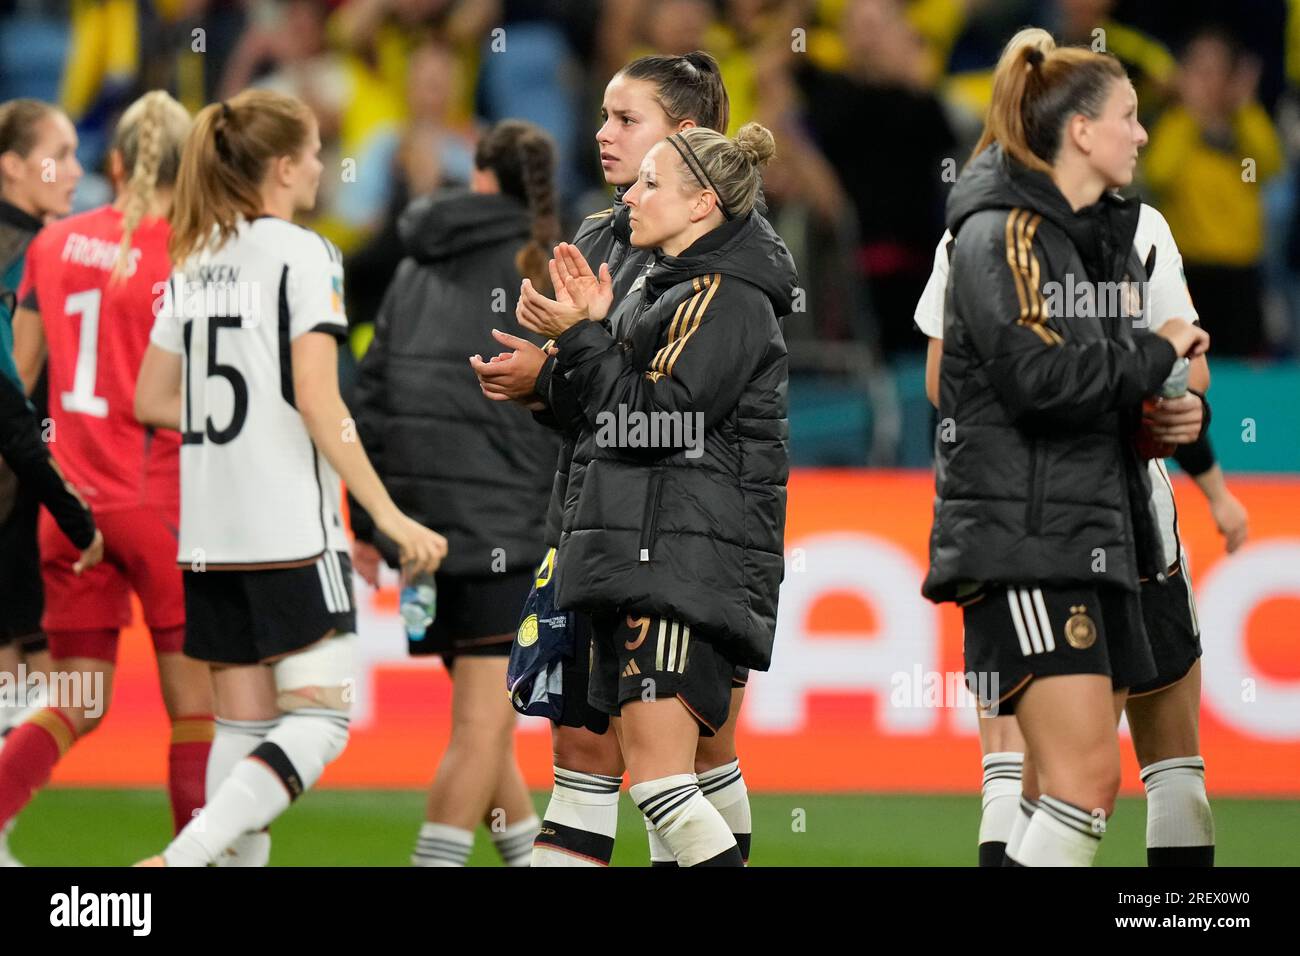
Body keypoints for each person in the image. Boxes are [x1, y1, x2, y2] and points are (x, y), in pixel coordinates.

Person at [916, 28, 1242, 868]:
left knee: (1111, 779)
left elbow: (1186, 375)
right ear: (1081, 129)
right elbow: (1010, 380)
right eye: (1130, 116)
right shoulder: (996, 234)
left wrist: (1177, 411)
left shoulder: (1123, 229)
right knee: (1058, 779)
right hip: (1033, 525)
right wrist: (1150, 365)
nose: (1144, 133)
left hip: (1122, 521)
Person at [132, 88, 446, 866]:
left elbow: (150, 398)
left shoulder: (195, 257)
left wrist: (226, 433)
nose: (319, 170)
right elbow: (318, 397)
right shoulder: (305, 254)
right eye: (311, 155)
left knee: (239, 731)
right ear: (281, 167)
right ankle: (182, 858)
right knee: (320, 722)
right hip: (287, 530)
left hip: (208, 535)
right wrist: (389, 515)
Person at [474, 53, 757, 866]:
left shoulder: (728, 263)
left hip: (686, 537)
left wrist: (565, 359)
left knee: (686, 761)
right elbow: (602, 413)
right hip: (596, 520)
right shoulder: (604, 234)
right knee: (586, 753)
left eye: (627, 120)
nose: (602, 134)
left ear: (690, 139)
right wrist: (540, 381)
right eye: (603, 116)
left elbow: (664, 421)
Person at [515, 121, 793, 867]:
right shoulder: (675, 287)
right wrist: (576, 344)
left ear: (702, 203)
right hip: (649, 549)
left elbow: (652, 427)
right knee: (665, 786)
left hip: (676, 558)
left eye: (649, 183)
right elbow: (618, 413)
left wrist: (584, 338)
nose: (629, 194)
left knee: (665, 785)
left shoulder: (726, 297)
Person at [0, 90, 216, 852]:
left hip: (71, 512)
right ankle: (191, 860)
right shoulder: (196, 253)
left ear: (118, 162)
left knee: (74, 702)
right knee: (195, 707)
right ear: (190, 166)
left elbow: (16, 380)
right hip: (160, 507)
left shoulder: (51, 247)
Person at [349, 119, 561, 867]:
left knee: (485, 729)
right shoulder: (544, 272)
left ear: (476, 177)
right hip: (512, 529)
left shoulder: (412, 267)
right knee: (481, 728)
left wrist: (370, 522)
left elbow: (368, 397)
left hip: (424, 535)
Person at [0, 96, 92, 865]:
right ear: (12, 163)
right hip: (14, 493)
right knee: (18, 673)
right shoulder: (34, 251)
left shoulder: (37, 245)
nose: (77, 168)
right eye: (60, 152)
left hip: (25, 487)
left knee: (31, 680)